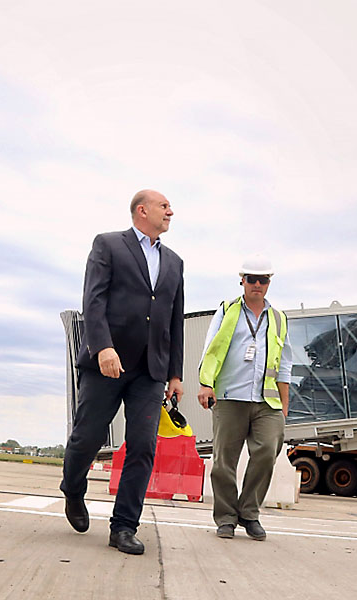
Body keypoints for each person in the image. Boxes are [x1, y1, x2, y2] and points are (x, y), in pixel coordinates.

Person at [60, 189, 184, 555]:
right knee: (88, 437)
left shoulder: (175, 262)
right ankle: (72, 487)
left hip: (150, 369)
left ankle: (124, 526)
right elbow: (93, 299)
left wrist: (174, 373)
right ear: (142, 210)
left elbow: (174, 321)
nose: (170, 212)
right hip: (107, 363)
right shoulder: (108, 245)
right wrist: (103, 347)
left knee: (143, 446)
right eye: (165, 206)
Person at [198, 255, 292, 541]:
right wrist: (205, 384)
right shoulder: (227, 311)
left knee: (266, 452)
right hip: (230, 397)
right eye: (252, 279)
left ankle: (249, 512)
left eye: (263, 280)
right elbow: (210, 349)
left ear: (269, 283)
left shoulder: (278, 318)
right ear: (242, 281)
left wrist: (284, 407)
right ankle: (226, 517)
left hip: (267, 402)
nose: (257, 285)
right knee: (224, 461)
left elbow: (284, 364)